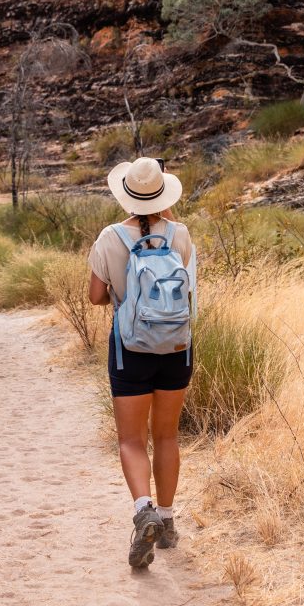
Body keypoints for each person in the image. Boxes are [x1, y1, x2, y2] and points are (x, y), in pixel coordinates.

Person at [88, 155, 196, 569]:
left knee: (131, 440)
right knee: (167, 435)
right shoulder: (180, 234)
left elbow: (97, 297)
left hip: (130, 348)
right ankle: (167, 521)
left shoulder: (110, 237)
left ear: (126, 194)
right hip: (175, 347)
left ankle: (143, 509)